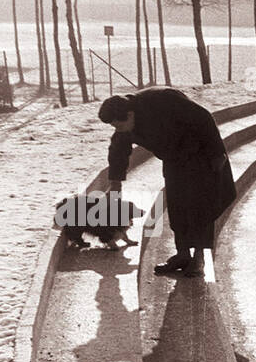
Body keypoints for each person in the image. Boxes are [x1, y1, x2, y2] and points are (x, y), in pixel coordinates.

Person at [98, 90, 236, 278]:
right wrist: (115, 183)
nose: (119, 130)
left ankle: (199, 258)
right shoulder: (124, 125)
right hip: (174, 160)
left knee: (200, 208)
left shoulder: (163, 100)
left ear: (130, 114)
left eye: (119, 125)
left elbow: (203, 118)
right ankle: (182, 254)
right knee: (178, 206)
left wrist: (217, 152)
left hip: (202, 157)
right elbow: (118, 152)